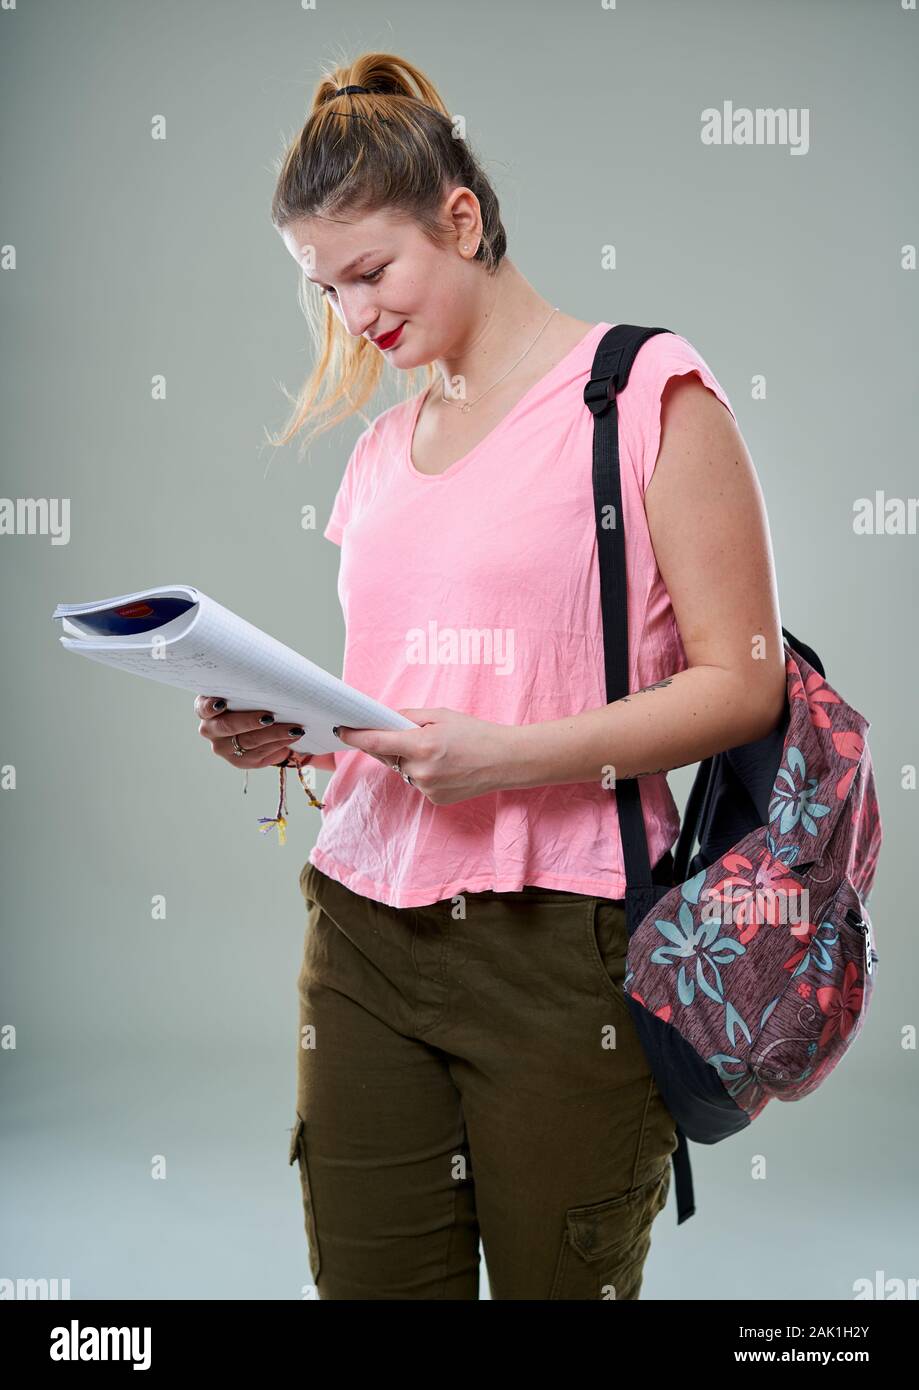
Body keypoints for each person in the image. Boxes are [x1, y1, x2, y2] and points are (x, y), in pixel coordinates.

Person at [195, 52, 786, 1300]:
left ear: (459, 220)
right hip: (357, 934)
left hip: (564, 943)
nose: (353, 316)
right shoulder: (381, 449)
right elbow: (403, 706)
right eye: (324, 288)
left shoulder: (641, 396)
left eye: (369, 272)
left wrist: (502, 758)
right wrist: (294, 731)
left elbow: (744, 684)